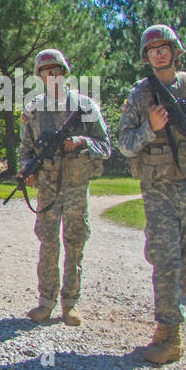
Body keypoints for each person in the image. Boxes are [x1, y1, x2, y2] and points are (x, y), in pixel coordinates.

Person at [117, 24, 186, 364]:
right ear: (146, 57)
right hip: (158, 189)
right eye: (152, 50)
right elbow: (124, 144)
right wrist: (151, 126)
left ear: (175, 51)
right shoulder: (139, 95)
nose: (158, 54)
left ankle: (170, 324)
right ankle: (169, 332)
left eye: (163, 48)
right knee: (166, 256)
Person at [19, 48, 111, 325]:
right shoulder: (33, 111)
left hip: (75, 185)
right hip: (47, 187)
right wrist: (26, 170)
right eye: (47, 72)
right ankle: (45, 302)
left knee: (74, 242)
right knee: (48, 243)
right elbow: (25, 150)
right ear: (40, 76)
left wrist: (83, 142)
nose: (53, 75)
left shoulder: (84, 107)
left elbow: (106, 146)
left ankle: (70, 303)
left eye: (57, 70)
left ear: (64, 73)